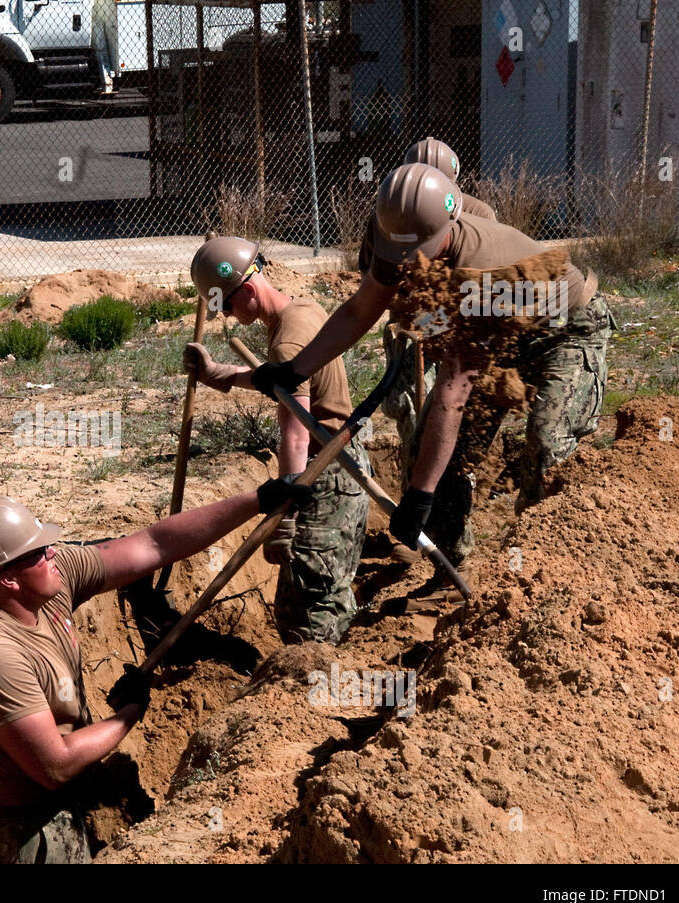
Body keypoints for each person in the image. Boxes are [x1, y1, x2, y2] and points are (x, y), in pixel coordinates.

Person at [251, 162, 614, 587]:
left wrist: (420, 496)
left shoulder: (481, 272)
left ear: (449, 224)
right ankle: (450, 569)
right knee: (428, 448)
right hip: (503, 335)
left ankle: (544, 578)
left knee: (547, 443)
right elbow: (359, 310)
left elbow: (452, 393)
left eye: (420, 250)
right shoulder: (396, 238)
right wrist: (295, 369)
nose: (409, 263)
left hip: (563, 330)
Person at [0, 480, 310, 863]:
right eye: (38, 551)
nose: (53, 552)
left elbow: (153, 544)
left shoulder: (49, 580)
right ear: (7, 578)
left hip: (60, 797)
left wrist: (256, 500)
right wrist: (128, 713)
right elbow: (55, 765)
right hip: (18, 830)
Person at [183, 236, 368, 645]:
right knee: (326, 595)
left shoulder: (285, 340)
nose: (226, 316)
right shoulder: (303, 309)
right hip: (347, 462)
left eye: (227, 305)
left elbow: (296, 432)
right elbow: (279, 380)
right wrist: (219, 374)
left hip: (324, 472)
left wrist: (285, 512)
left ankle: (309, 699)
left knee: (305, 612)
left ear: (248, 289)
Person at [364, 139, 498, 521]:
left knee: (452, 412)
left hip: (463, 327)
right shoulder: (390, 211)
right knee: (407, 410)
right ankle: (416, 500)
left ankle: (449, 506)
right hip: (410, 323)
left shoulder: (477, 213)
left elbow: (481, 286)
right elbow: (373, 278)